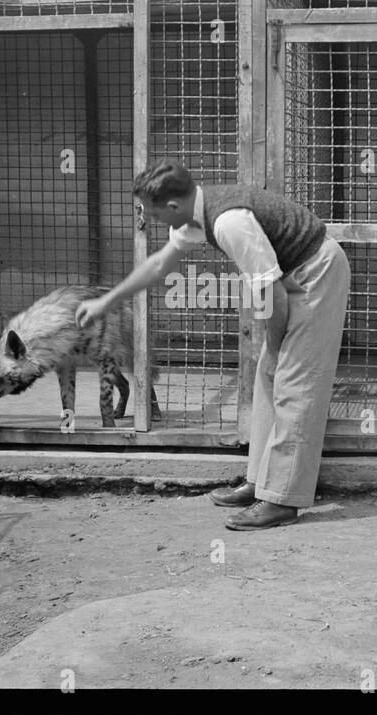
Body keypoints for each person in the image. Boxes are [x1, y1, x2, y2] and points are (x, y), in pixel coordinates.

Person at [75, 158, 351, 531]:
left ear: (173, 207)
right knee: (267, 378)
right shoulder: (195, 217)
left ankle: (282, 500)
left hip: (317, 273)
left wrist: (275, 342)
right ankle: (261, 482)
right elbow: (159, 266)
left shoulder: (229, 223)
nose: (152, 222)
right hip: (288, 280)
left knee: (296, 387)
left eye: (152, 214)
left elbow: (273, 295)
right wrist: (106, 302)